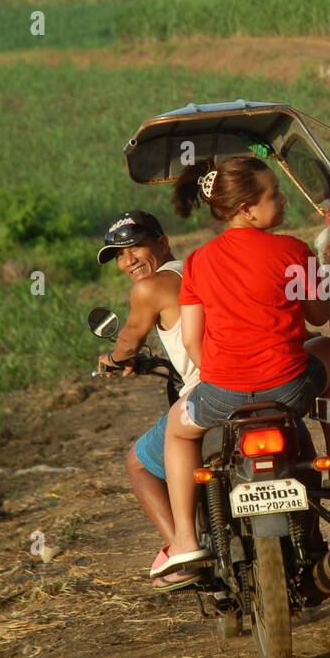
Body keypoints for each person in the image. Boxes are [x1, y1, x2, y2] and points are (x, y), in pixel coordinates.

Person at [154, 155, 330, 585]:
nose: (281, 201)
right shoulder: (292, 251)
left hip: (222, 396)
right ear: (247, 209)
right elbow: (320, 316)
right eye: (274, 195)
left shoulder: (197, 263)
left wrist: (224, 376)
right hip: (288, 392)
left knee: (177, 431)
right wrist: (328, 274)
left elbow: (193, 341)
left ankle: (185, 540)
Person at [93, 210, 202, 592]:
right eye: (119, 255)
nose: (128, 261)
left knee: (138, 461)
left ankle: (181, 548)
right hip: (254, 381)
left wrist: (112, 360)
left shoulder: (150, 287)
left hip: (209, 393)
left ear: (162, 241)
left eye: (135, 246)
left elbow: (127, 344)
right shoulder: (199, 269)